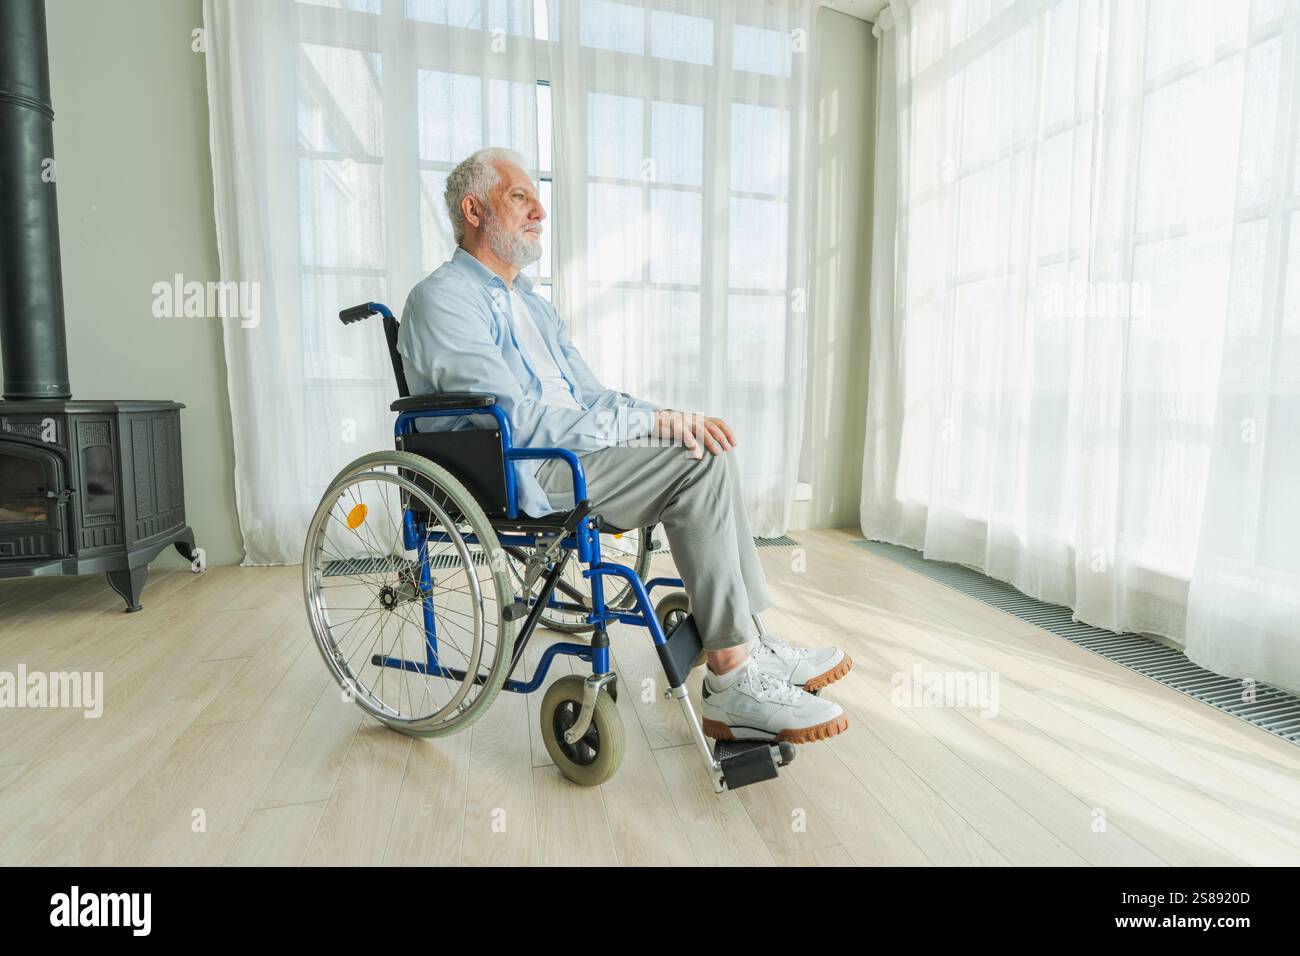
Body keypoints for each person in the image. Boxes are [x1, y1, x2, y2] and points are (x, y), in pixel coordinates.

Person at [397, 147, 851, 744]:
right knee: (700, 465)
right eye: (519, 197)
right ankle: (732, 678)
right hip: (524, 468)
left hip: (574, 451)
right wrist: (639, 430)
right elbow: (514, 421)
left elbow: (591, 396)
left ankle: (747, 637)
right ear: (474, 209)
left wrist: (660, 417)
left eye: (536, 197)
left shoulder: (531, 303)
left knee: (701, 441)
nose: (540, 209)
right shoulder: (443, 299)